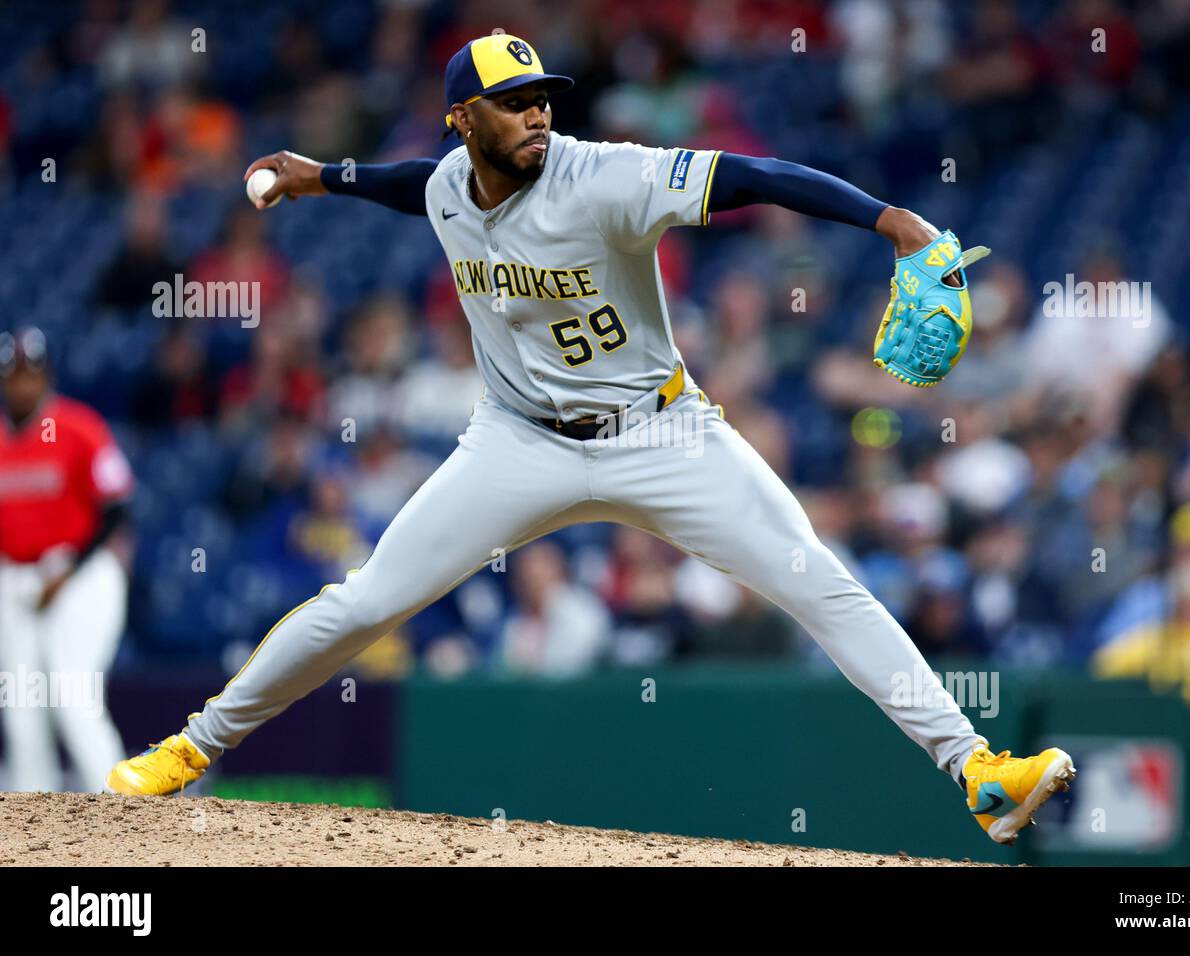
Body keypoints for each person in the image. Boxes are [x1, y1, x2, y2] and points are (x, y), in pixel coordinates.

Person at [108, 34, 1074, 845]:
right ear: (465, 120)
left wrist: (889, 219)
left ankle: (976, 768)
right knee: (366, 602)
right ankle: (191, 748)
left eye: (541, 98)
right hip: (515, 444)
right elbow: (414, 186)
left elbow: (756, 175)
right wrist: (322, 176)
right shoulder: (450, 184)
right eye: (513, 101)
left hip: (665, 432)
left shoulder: (603, 174)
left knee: (818, 579)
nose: (536, 114)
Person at [0, 327, 134, 791]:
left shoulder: (78, 426)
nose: (21, 384)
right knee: (19, 707)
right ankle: (28, 835)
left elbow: (117, 508)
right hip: (14, 577)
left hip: (80, 573)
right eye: (12, 375)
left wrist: (69, 568)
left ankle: (121, 810)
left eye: (29, 374)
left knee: (73, 696)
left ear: (46, 376)